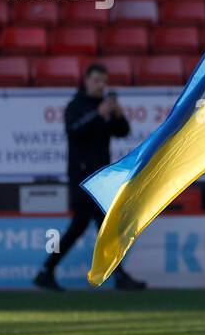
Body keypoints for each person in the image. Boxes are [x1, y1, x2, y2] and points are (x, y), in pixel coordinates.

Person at [36, 64, 147, 291]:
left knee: (88, 226)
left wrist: (116, 114)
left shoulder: (103, 106)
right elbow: (73, 129)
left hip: (100, 177)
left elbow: (123, 131)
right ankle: (117, 276)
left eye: (104, 81)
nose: (101, 85)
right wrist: (99, 114)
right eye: (97, 80)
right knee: (93, 226)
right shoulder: (75, 106)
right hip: (81, 177)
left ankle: (47, 270)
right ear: (86, 80)